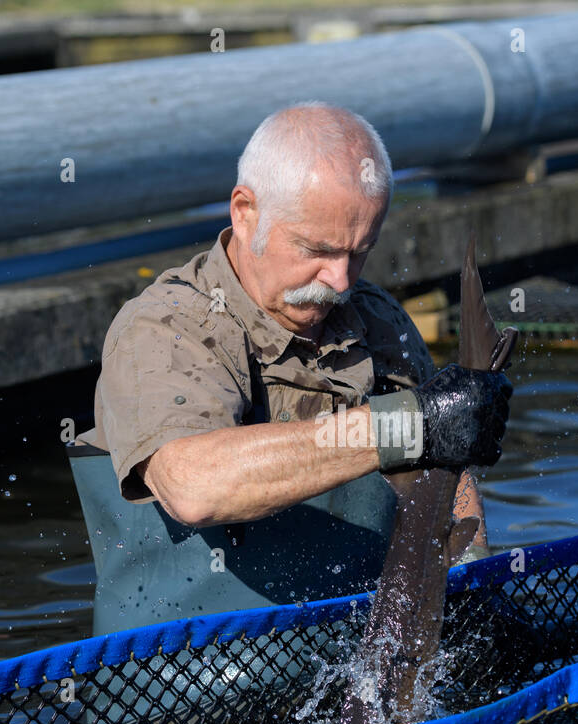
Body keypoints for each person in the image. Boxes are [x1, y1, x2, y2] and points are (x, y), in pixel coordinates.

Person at [70, 100, 512, 638]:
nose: (340, 279)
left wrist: (475, 576)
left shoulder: (374, 318)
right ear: (244, 211)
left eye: (361, 251)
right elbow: (194, 487)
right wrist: (401, 427)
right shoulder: (165, 328)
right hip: (177, 684)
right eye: (317, 249)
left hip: (341, 670)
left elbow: (447, 463)